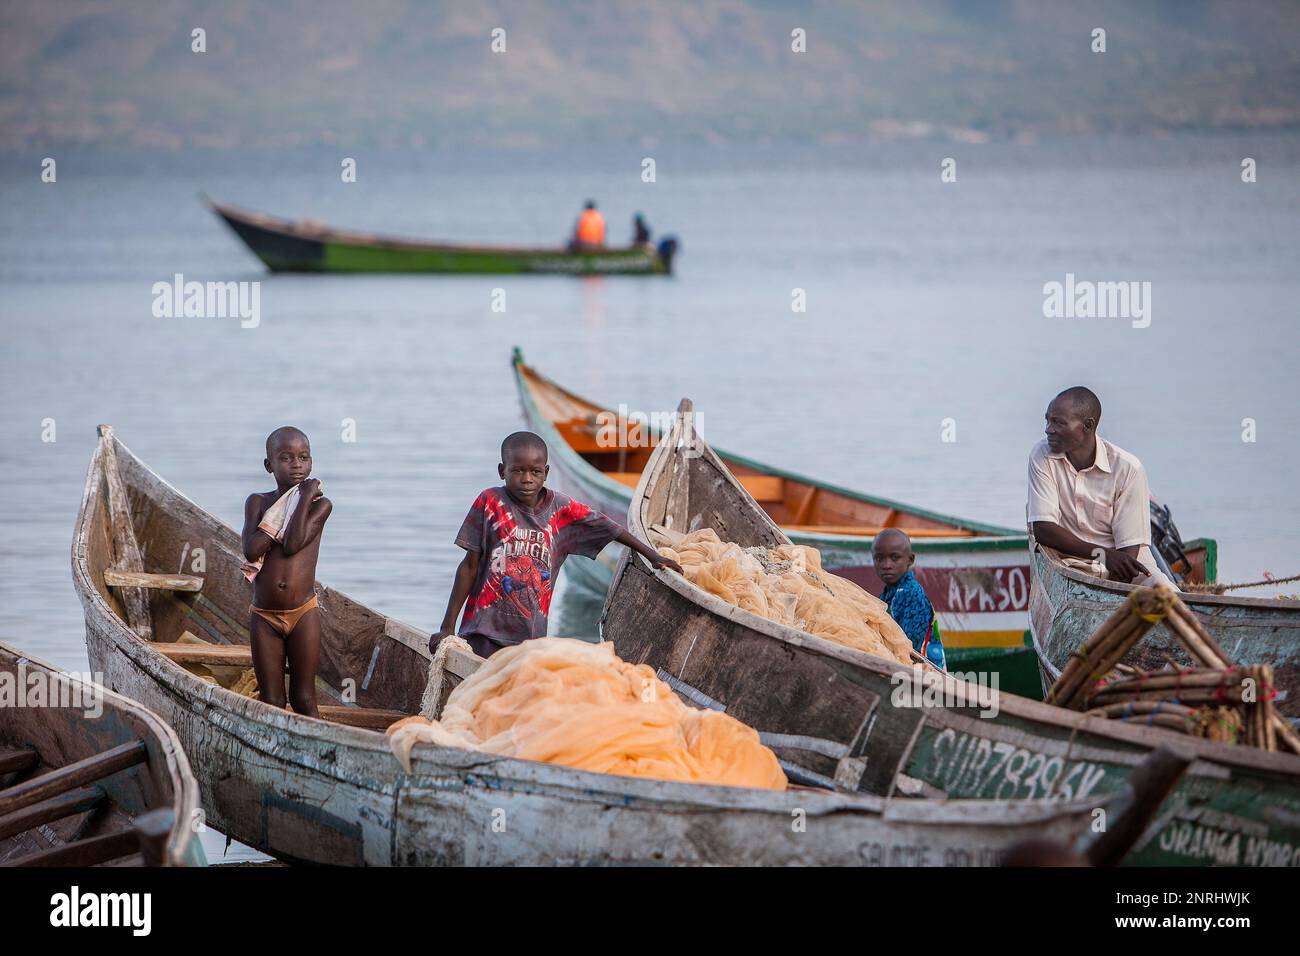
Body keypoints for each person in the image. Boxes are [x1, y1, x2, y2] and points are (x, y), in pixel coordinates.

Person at [432, 432, 681, 659]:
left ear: (546, 472)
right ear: (502, 471)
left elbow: (610, 528)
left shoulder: (561, 510)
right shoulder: (490, 502)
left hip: (528, 639)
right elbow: (469, 567)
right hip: (482, 632)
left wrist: (652, 555)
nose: (527, 479)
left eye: (535, 472)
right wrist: (447, 628)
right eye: (518, 471)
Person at [1028, 386, 1169, 586]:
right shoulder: (1042, 456)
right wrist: (1102, 555)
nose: (1048, 429)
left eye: (1058, 422)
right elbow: (1043, 529)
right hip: (1070, 562)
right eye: (1048, 420)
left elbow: (1128, 552)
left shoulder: (1128, 468)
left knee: (1168, 595)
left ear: (1087, 425)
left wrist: (1113, 588)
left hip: (1128, 562)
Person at [240, 426, 332, 717]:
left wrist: (304, 497)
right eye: (286, 458)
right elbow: (252, 550)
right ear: (269, 465)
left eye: (303, 458)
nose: (296, 465)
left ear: (311, 463)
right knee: (272, 700)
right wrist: (286, 508)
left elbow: (292, 544)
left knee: (304, 698)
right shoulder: (258, 502)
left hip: (303, 613)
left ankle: (320, 756)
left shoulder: (321, 505)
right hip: (264, 617)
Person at [872, 529, 946, 669]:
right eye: (879, 558)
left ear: (910, 560)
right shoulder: (890, 592)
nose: (887, 565)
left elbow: (909, 647)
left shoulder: (911, 593)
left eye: (894, 558)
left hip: (923, 673)